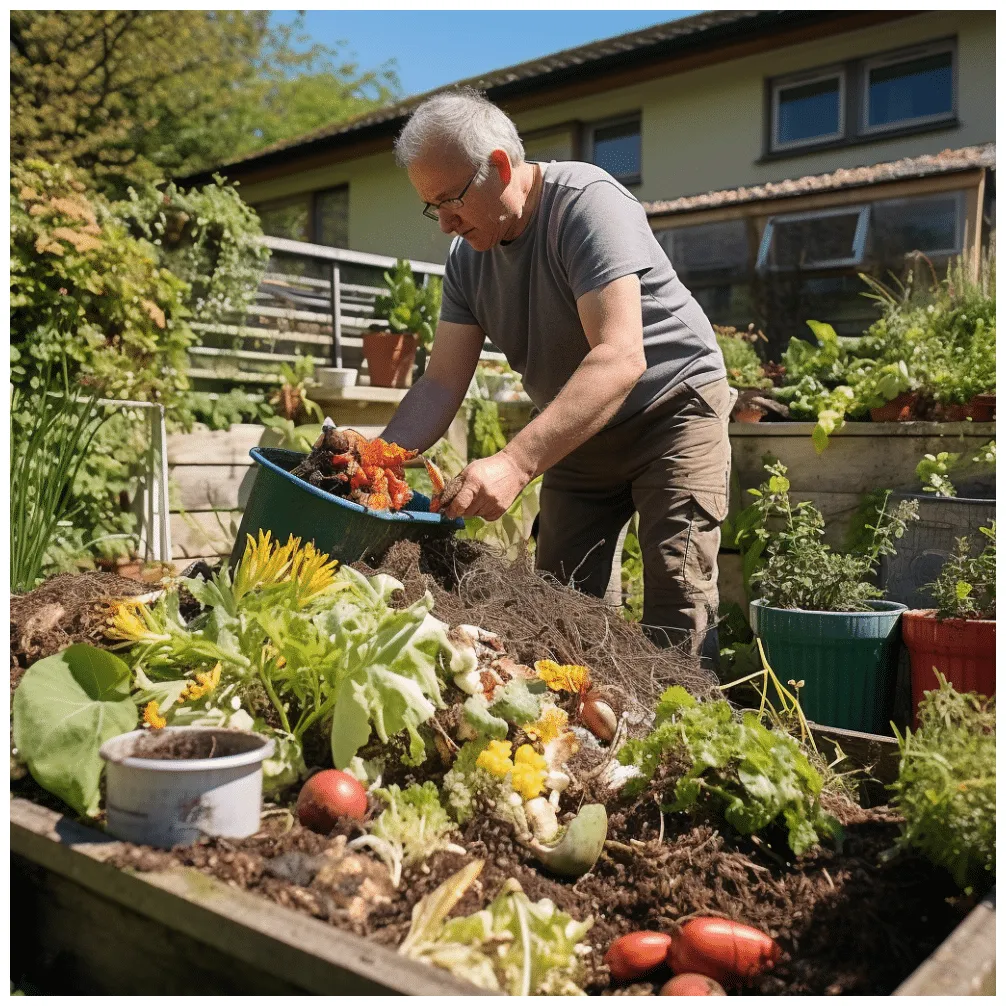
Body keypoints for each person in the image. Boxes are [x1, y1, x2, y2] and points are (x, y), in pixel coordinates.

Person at [381, 88, 734, 659]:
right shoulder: (466, 261)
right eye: (431, 207)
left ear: (498, 166)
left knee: (677, 598)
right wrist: (375, 463)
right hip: (579, 425)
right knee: (562, 608)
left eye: (450, 201)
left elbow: (621, 356)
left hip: (670, 410)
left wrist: (516, 462)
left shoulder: (586, 204)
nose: (444, 223)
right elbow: (442, 382)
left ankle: (688, 740)